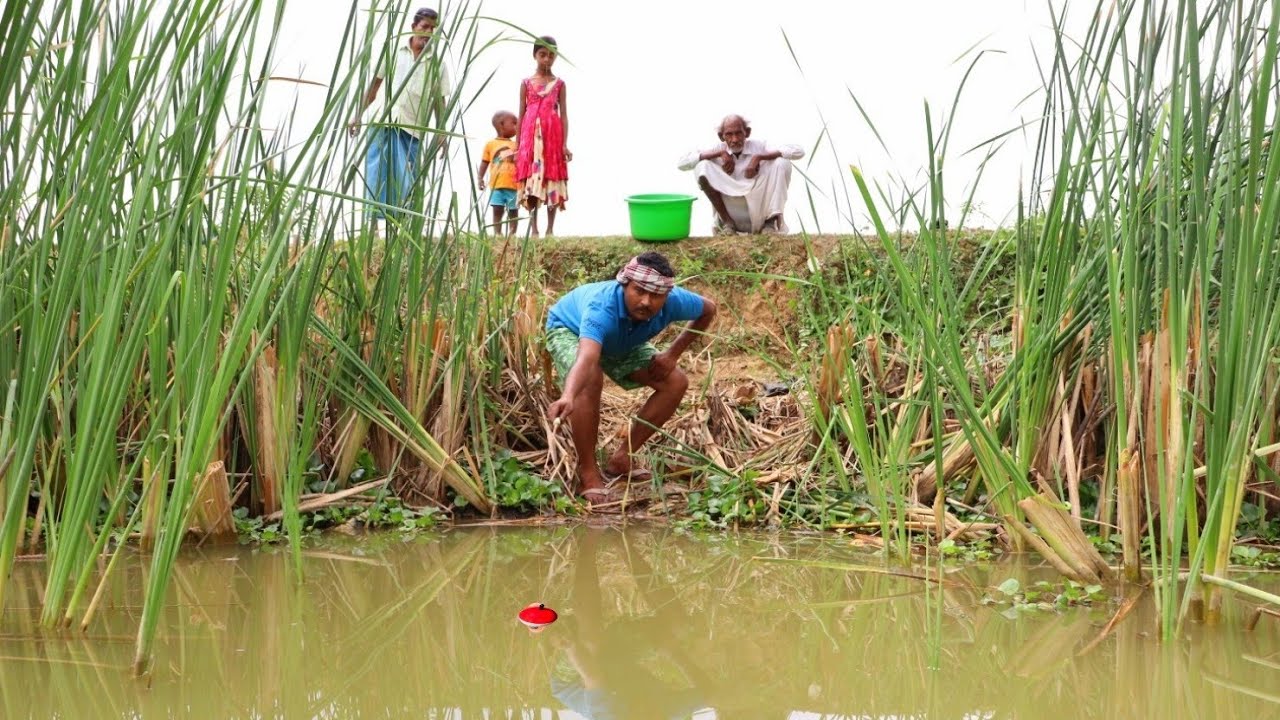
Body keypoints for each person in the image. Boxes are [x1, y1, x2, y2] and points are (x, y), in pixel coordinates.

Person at [545, 252, 716, 505]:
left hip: (623, 339)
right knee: (590, 377)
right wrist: (568, 395)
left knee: (676, 382)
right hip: (569, 330)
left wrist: (672, 354)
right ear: (624, 284)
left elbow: (709, 309)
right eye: (638, 291)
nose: (646, 301)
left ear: (667, 296)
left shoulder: (676, 301)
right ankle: (588, 471)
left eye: (656, 296)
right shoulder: (601, 307)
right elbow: (587, 358)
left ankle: (623, 457)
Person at [348, 7, 451, 219]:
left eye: (433, 28)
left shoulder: (437, 65)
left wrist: (441, 132)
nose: (428, 32)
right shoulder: (394, 50)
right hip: (383, 121)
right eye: (424, 27)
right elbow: (374, 88)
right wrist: (357, 114)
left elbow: (439, 103)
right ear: (414, 27)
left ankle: (402, 225)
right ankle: (373, 226)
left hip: (412, 129)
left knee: (406, 178)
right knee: (376, 173)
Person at [678, 114, 804, 235]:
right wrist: (719, 154)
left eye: (738, 133)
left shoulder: (759, 146)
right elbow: (682, 163)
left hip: (759, 212)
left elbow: (798, 151)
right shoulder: (717, 148)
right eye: (729, 134)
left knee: (782, 163)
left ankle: (770, 223)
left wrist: (759, 157)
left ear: (747, 133)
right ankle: (727, 223)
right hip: (731, 214)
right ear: (722, 137)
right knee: (701, 166)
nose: (735, 139)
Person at [516, 35, 571, 238]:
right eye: (542, 55)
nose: (546, 60)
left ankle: (550, 229)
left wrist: (564, 144)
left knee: (551, 177)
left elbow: (564, 115)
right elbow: (521, 115)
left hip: (552, 136)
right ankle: (534, 229)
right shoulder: (526, 83)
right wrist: (518, 146)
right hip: (530, 137)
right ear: (535, 55)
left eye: (551, 56)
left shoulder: (559, 84)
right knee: (532, 179)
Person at [478, 110, 519, 236]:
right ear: (502, 124)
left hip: (514, 185)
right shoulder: (490, 144)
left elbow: (521, 161)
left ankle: (512, 234)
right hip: (496, 186)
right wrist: (480, 177)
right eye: (514, 123)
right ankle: (498, 233)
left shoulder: (516, 145)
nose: (517, 127)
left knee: (513, 211)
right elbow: (485, 162)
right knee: (497, 210)